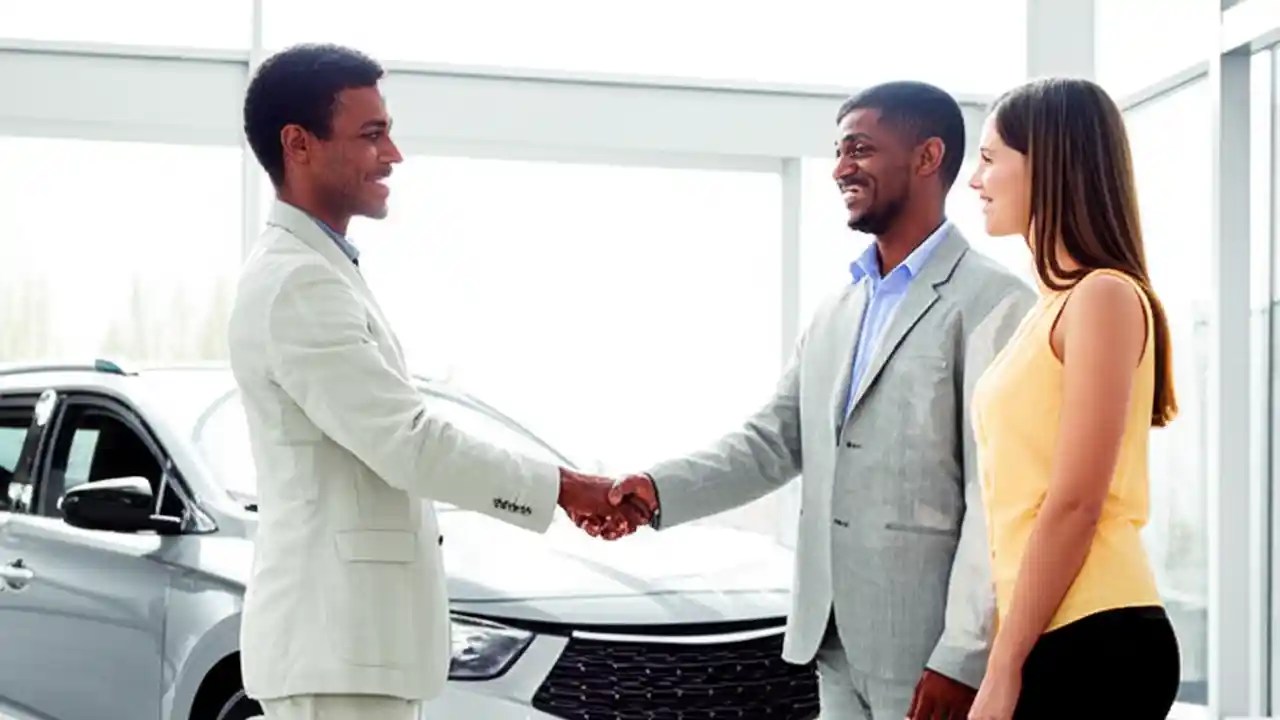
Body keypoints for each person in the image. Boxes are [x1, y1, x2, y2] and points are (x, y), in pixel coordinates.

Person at [593, 81, 1037, 719]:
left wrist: (963, 655)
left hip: (928, 653)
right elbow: (774, 441)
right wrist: (655, 490)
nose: (840, 168)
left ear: (927, 156)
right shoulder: (837, 309)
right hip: (831, 642)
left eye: (860, 148)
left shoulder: (997, 304)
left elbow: (996, 501)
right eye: (838, 151)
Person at [229, 43, 641, 720]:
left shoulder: (318, 269)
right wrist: (567, 488)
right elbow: (410, 444)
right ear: (298, 145)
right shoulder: (298, 281)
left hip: (352, 651)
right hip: (336, 651)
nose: (393, 155)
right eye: (372, 134)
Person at [964, 77, 1182, 720]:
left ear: (1049, 164)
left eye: (989, 158)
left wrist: (1004, 668)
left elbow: (1076, 501)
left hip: (1097, 634)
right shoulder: (1051, 308)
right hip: (1055, 633)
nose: (975, 181)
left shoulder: (1104, 297)